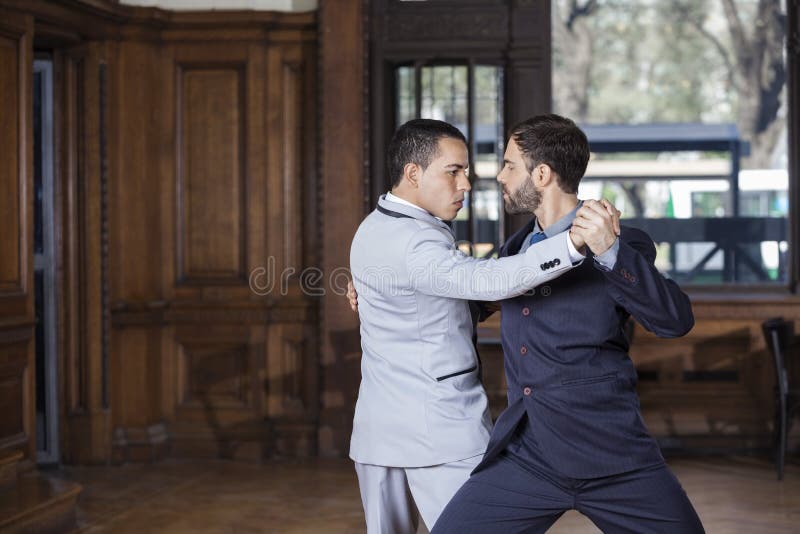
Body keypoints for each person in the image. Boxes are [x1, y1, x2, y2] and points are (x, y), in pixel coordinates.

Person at [431, 114, 704, 533]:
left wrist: (609, 250)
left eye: (508, 165)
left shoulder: (624, 242)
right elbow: (467, 302)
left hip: (611, 453)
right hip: (528, 453)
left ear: (541, 174)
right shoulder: (516, 248)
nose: (499, 176)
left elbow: (675, 320)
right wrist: (383, 294)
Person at [348, 118, 620, 533]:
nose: (467, 184)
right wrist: (570, 244)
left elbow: (429, 305)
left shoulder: (372, 227)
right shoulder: (415, 241)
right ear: (413, 173)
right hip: (440, 434)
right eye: (454, 171)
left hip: (377, 432)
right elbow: (486, 279)